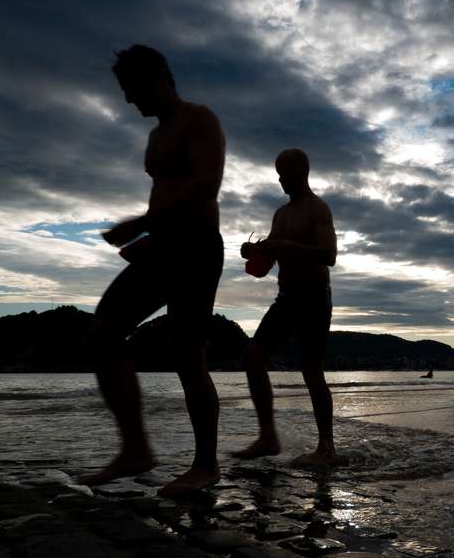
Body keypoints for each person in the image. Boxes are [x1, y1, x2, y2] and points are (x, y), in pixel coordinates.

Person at [79, 45, 225, 496]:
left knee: (188, 356)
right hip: (161, 247)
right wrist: (148, 233)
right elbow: (164, 195)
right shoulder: (155, 138)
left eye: (131, 89)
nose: (128, 100)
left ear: (158, 76)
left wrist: (142, 223)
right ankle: (135, 449)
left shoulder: (200, 119)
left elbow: (207, 183)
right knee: (103, 331)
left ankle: (206, 465)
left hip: (197, 247)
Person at [233, 148, 338, 465]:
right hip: (287, 296)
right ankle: (268, 437)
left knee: (311, 370)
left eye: (285, 173)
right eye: (278, 174)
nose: (280, 179)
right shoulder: (280, 214)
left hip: (315, 295)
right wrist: (255, 252)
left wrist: (281, 245)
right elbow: (269, 262)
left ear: (301, 172)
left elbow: (328, 255)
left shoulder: (318, 208)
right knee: (253, 358)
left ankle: (326, 447)